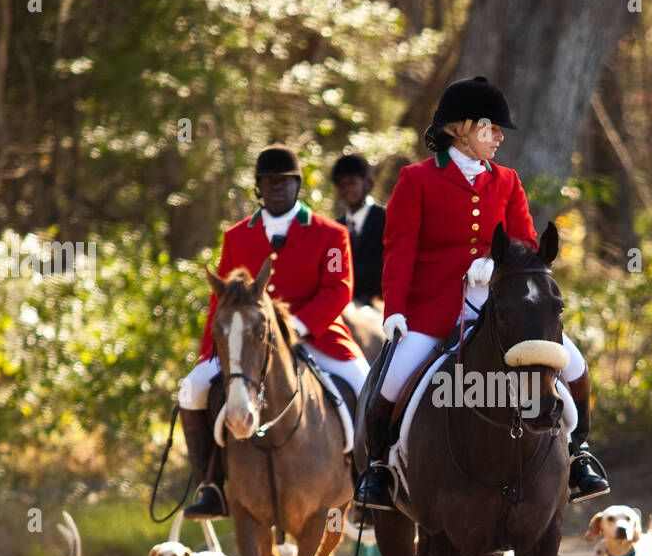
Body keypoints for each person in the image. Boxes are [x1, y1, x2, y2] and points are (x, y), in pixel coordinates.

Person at [352, 75, 610, 513]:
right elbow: (399, 249)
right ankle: (378, 468)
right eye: (489, 128)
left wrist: (500, 263)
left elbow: (527, 244)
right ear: (458, 129)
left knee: (575, 365)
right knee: (391, 383)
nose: (499, 137)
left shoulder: (506, 180)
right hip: (432, 309)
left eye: (499, 130)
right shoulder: (415, 180)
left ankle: (579, 453)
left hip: (502, 307)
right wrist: (395, 310)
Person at [178, 144, 371, 518]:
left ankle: (365, 482)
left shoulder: (329, 232)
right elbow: (222, 301)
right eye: (268, 182)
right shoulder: (236, 237)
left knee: (365, 385)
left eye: (284, 181)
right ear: (258, 188)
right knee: (191, 388)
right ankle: (211, 483)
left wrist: (296, 326)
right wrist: (209, 354)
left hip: (315, 335)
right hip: (247, 344)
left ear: (297, 185)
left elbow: (339, 289)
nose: (276, 188)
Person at [331, 153, 386, 306]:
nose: (347, 189)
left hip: (381, 305)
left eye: (352, 183)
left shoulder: (386, 219)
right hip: (345, 305)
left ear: (367, 183)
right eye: (342, 185)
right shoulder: (335, 228)